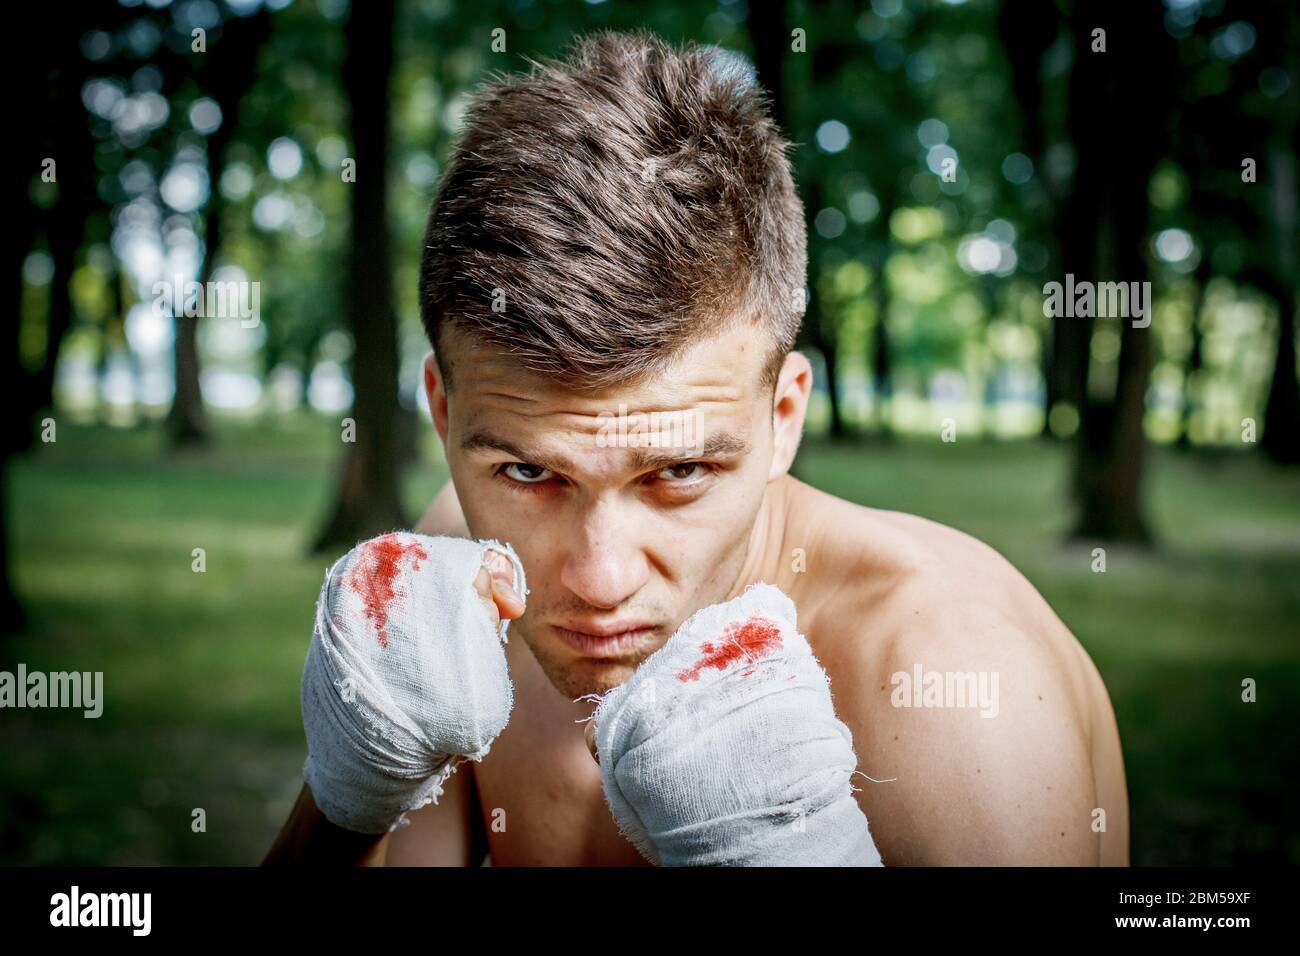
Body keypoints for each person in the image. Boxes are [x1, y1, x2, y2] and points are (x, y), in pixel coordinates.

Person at [265, 30, 1127, 867]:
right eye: (530, 472)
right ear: (443, 412)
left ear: (783, 417)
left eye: (679, 471)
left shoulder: (952, 688)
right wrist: (345, 804)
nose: (600, 583)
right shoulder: (465, 571)